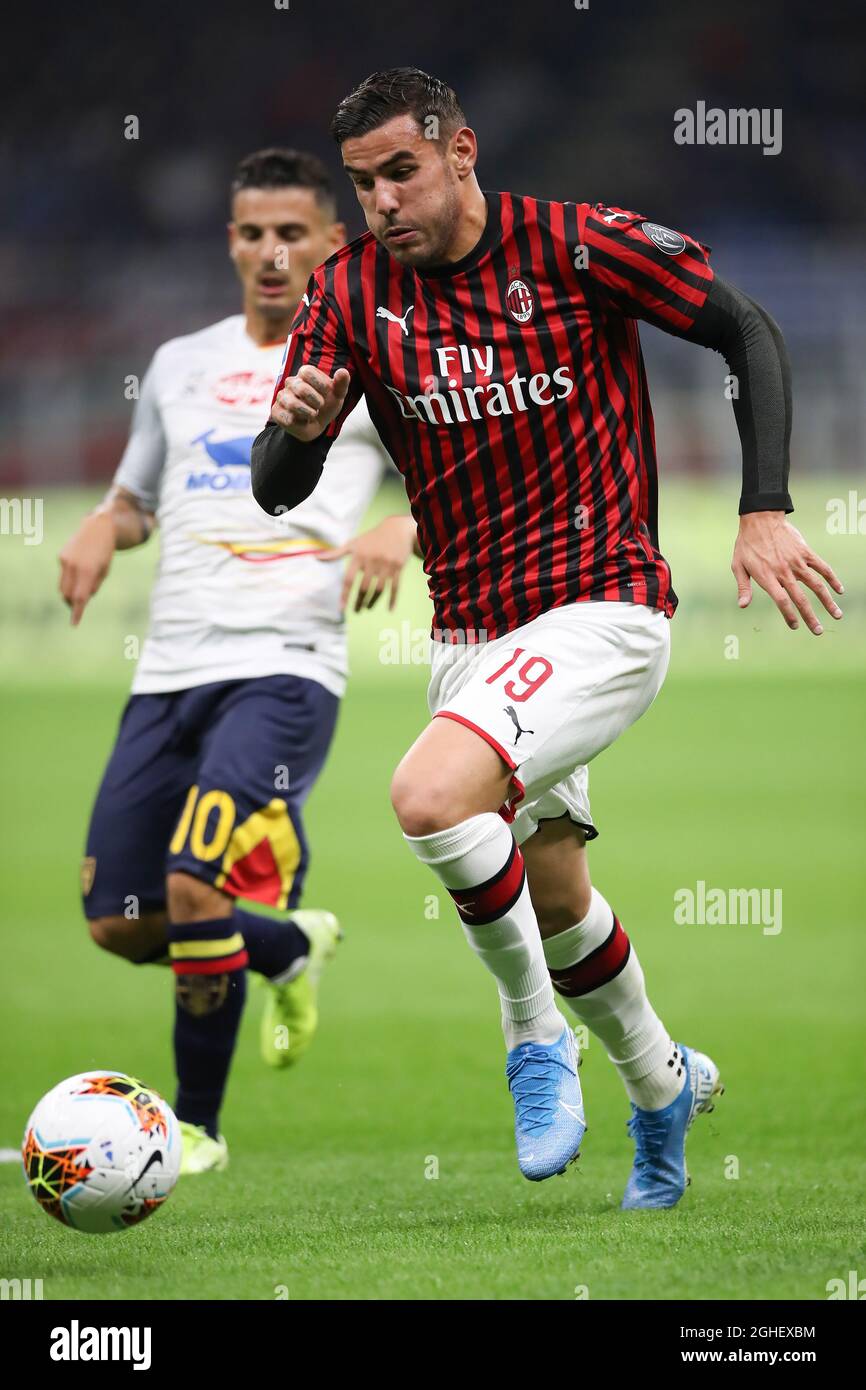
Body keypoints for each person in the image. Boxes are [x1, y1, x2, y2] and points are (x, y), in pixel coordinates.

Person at [251, 72, 843, 1208]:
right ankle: (662, 1081)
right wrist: (296, 437)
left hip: (604, 607)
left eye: (400, 171)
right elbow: (277, 487)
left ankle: (532, 1040)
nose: (379, 200)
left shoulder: (572, 247)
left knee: (429, 798)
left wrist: (760, 505)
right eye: (362, 182)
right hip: (471, 636)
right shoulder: (348, 293)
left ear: (460, 151)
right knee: (559, 897)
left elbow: (743, 329)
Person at [59, 147, 416, 1175]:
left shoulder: (371, 357)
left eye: (292, 233)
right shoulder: (178, 364)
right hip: (168, 671)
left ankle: (196, 1129)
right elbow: (136, 501)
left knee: (192, 884)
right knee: (118, 923)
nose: (271, 253)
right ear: (230, 242)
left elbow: (455, 481)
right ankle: (289, 944)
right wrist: (100, 525)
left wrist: (403, 527)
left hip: (287, 667)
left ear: (331, 243)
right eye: (252, 233)